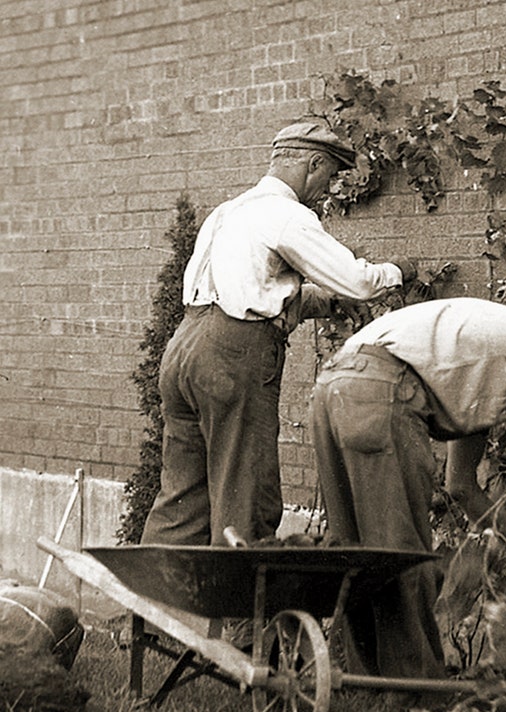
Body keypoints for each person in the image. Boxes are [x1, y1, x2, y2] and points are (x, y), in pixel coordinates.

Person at [309, 296, 506, 679]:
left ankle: (366, 677)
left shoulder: (488, 374)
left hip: (333, 388)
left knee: (358, 550)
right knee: (401, 552)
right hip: (381, 394)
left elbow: (461, 486)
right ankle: (417, 690)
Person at [140, 119, 417, 548]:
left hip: (184, 348)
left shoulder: (227, 211)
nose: (327, 190)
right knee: (245, 497)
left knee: (182, 500)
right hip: (233, 358)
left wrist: (320, 301)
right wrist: (397, 272)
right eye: (329, 176)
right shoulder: (287, 215)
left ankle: (150, 608)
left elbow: (249, 292)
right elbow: (358, 282)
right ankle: (241, 615)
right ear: (314, 163)